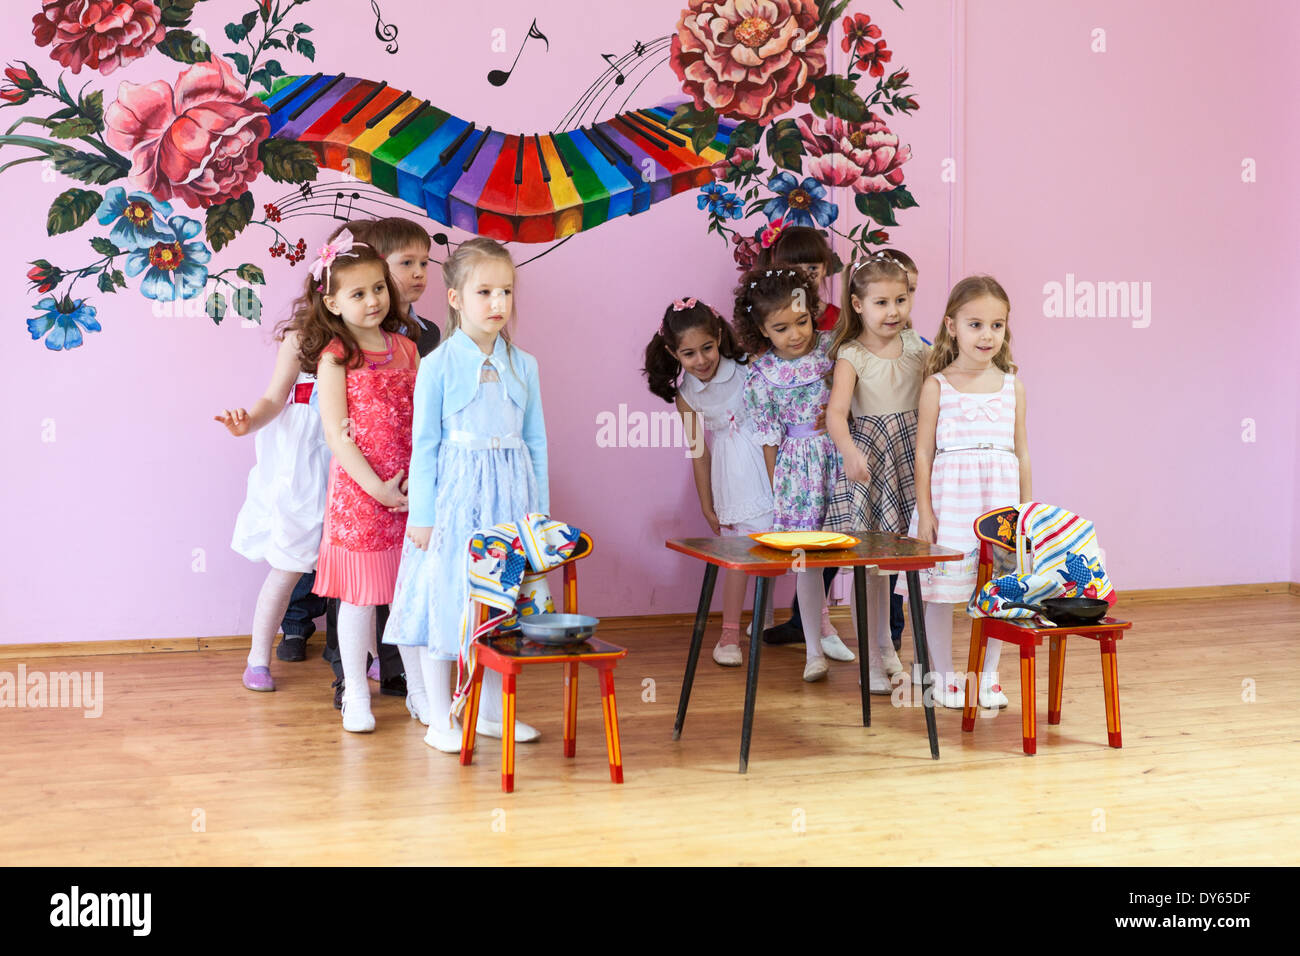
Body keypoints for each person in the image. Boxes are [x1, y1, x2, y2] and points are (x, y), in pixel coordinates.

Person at [385, 238, 548, 752]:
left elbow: (537, 442)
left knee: (501, 601)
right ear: (454, 297)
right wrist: (425, 517)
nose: (497, 303)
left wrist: (538, 518)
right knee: (446, 597)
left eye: (506, 291)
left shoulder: (525, 365)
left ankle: (494, 713)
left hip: (510, 498)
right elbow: (425, 447)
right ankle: (439, 716)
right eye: (484, 292)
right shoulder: (437, 366)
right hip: (455, 497)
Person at [305, 229, 420, 731]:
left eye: (378, 287)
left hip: (411, 495)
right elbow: (337, 434)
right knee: (358, 598)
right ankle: (356, 692)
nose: (373, 300)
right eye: (357, 293)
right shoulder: (336, 356)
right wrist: (378, 489)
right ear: (332, 302)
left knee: (409, 595)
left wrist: (417, 483)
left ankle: (421, 692)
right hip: (362, 496)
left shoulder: (407, 349)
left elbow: (421, 423)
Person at [908, 275, 1031, 709]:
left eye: (997, 325)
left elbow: (1021, 453)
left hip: (998, 504)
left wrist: (1025, 514)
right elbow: (923, 454)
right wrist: (925, 512)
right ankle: (942, 678)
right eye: (975, 324)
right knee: (943, 592)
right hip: (951, 501)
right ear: (951, 326)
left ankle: (989, 675)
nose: (987, 335)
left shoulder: (1011, 384)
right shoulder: (937, 385)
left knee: (997, 590)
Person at [643, 297, 774, 666]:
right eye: (688, 354)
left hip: (767, 457)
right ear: (673, 352)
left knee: (779, 537)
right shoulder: (686, 395)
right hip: (730, 473)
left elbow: (771, 417)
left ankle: (777, 618)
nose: (701, 360)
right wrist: (706, 503)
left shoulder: (749, 368)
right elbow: (699, 451)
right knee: (736, 548)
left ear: (719, 336)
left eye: (707, 348)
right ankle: (729, 633)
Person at [736, 268, 852, 682]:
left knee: (849, 546)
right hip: (795, 469)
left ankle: (843, 633)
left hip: (837, 455)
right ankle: (813, 650)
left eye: (802, 321)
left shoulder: (831, 352)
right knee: (807, 557)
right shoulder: (762, 372)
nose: (795, 334)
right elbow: (769, 436)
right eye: (781, 328)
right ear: (762, 329)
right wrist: (776, 485)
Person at [825, 251, 929, 693]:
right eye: (882, 302)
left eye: (901, 300)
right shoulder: (852, 355)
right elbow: (835, 414)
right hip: (872, 466)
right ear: (858, 304)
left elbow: (938, 396)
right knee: (870, 567)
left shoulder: (919, 349)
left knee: (900, 564)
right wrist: (848, 449)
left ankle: (892, 650)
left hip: (911, 460)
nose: (893, 311)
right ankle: (872, 657)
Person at [216, 326, 330, 691]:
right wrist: (248, 422)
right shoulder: (302, 338)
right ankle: (257, 659)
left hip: (350, 449)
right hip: (306, 458)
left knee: (355, 565)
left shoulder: (372, 339)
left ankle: (369, 656)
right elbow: (273, 399)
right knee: (290, 562)